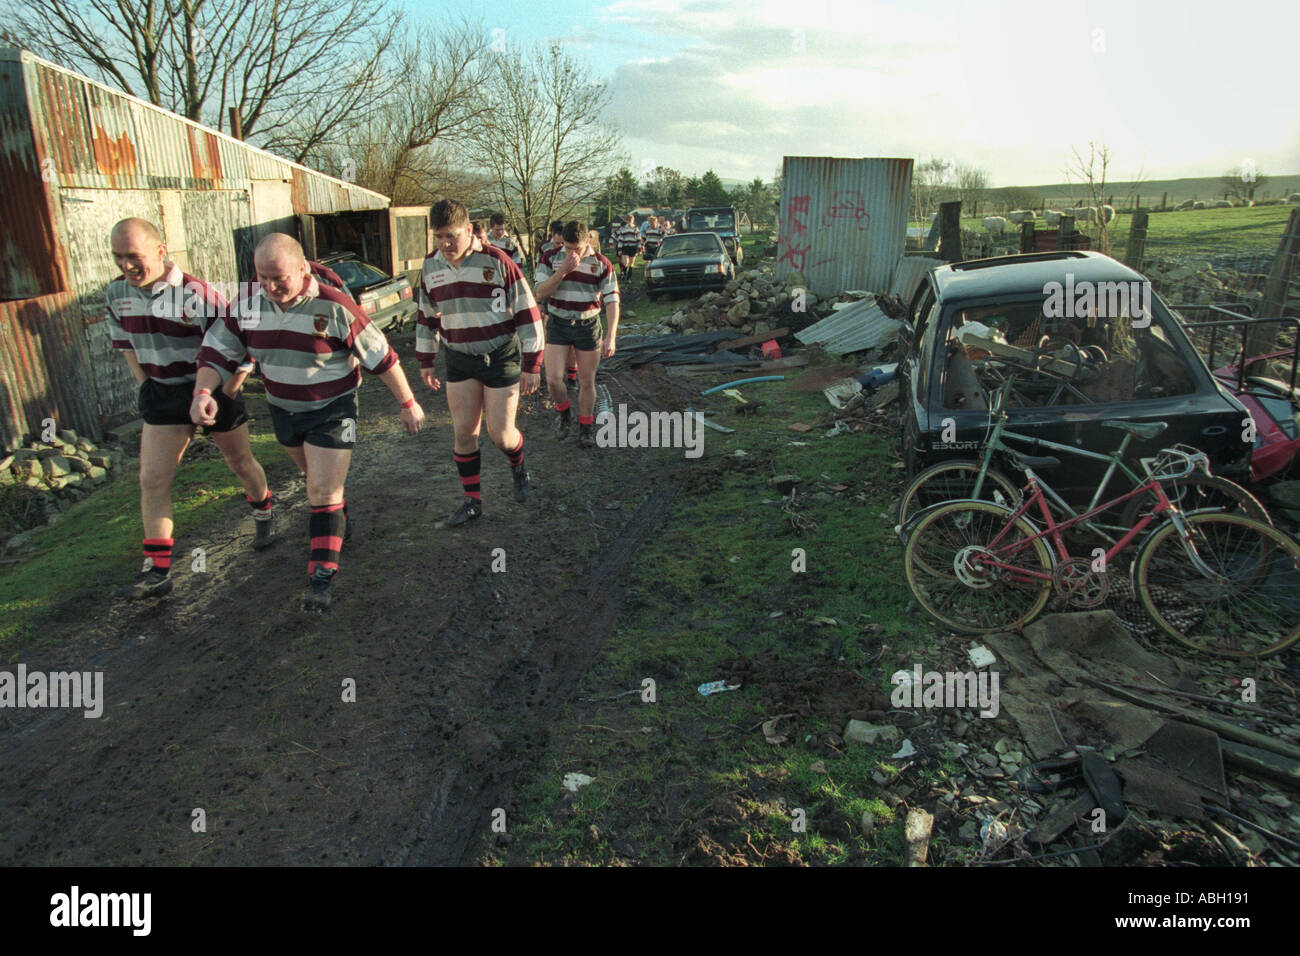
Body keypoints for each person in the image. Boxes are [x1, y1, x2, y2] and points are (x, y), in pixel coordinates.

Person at [192, 233, 424, 610]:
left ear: (302, 269)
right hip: (283, 410)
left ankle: (321, 577)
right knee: (318, 484)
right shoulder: (247, 306)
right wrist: (204, 392)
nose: (270, 286)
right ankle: (338, 521)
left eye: (279, 278)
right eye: (262, 277)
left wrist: (408, 402)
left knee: (321, 492)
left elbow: (382, 356)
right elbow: (217, 350)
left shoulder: (335, 307)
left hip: (333, 410)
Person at [105, 218, 275, 600]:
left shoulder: (195, 294)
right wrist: (145, 385)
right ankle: (158, 569)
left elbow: (238, 345)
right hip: (163, 395)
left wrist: (227, 391)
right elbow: (125, 345)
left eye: (134, 257)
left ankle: (264, 511)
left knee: (240, 463)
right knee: (152, 479)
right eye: (118, 257)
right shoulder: (116, 294)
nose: (126, 266)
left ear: (161, 251)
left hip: (212, 388)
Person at [414, 199, 544, 526]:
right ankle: (472, 502)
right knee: (464, 434)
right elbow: (426, 316)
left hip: (500, 355)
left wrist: (533, 364)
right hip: (458, 358)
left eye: (451, 236)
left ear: (469, 230)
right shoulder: (431, 267)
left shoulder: (497, 262)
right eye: (438, 236)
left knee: (500, 434)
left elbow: (528, 312)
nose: (444, 244)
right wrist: (426, 359)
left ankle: (519, 466)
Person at [533, 220, 619, 448]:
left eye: (577, 249)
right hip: (558, 322)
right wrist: (563, 271)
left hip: (587, 324)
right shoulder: (550, 258)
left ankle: (586, 427)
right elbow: (539, 292)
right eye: (568, 248)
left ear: (587, 241)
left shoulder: (602, 263)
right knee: (552, 379)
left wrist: (611, 335)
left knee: (586, 381)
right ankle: (564, 414)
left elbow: (612, 300)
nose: (572, 253)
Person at [614, 213, 641, 282]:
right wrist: (619, 249)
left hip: (633, 247)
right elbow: (620, 240)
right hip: (625, 246)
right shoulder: (623, 228)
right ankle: (624, 274)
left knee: (631, 264)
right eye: (628, 220)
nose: (629, 221)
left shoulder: (635, 228)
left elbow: (638, 239)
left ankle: (629, 278)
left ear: (633, 220)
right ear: (626, 220)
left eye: (631, 220)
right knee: (625, 262)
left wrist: (639, 249)